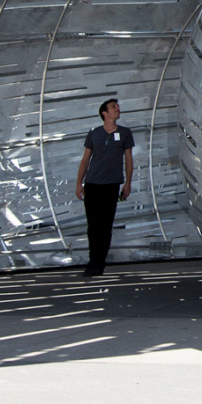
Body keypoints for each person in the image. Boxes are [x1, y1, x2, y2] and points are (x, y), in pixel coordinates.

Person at [73, 98, 133, 277]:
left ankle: (100, 263)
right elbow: (86, 159)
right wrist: (79, 182)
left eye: (118, 107)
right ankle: (93, 261)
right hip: (93, 184)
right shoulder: (94, 133)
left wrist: (128, 182)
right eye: (113, 107)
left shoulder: (124, 133)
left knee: (105, 225)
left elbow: (128, 158)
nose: (118, 109)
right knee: (93, 225)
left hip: (111, 184)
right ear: (104, 113)